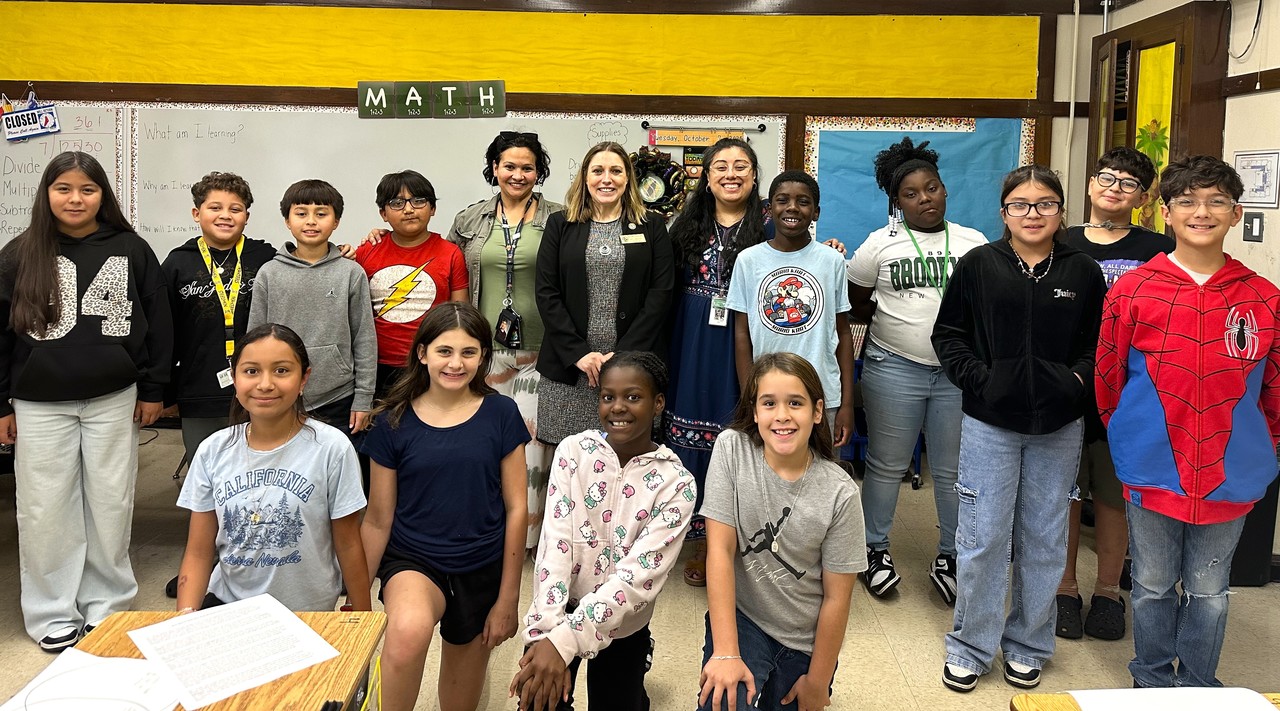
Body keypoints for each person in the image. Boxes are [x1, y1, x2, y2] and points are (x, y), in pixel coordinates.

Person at [1096, 155, 1280, 688]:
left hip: (1231, 470)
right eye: (1187, 201)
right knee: (1152, 584)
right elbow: (1109, 378)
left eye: (1216, 201)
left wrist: (1260, 448)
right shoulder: (1133, 290)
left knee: (1210, 590)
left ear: (1236, 213)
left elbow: (1273, 392)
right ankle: (1151, 678)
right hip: (1151, 464)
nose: (1202, 212)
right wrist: (1130, 437)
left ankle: (1198, 684)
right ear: (1165, 213)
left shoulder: (1263, 298)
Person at [931, 165, 1105, 692]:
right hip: (991, 423)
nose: (1033, 214)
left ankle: (1028, 644)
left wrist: (1075, 381)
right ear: (1003, 213)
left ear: (1061, 212)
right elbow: (949, 335)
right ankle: (970, 646)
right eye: (1020, 205)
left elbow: (1097, 345)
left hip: (1059, 424)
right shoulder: (978, 265)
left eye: (1045, 204)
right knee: (982, 537)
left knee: (1045, 539)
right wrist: (982, 382)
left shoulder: (1082, 271)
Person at [0, 151, 173, 651]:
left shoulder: (131, 248)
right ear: (47, 193)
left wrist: (154, 389)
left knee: (110, 501)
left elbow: (158, 324)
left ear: (103, 195)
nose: (75, 199)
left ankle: (107, 605)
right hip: (39, 403)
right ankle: (51, 610)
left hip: (113, 398)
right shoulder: (19, 254)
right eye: (64, 188)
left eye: (87, 189)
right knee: (44, 507)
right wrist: (2, 405)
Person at [360, 302, 528, 711]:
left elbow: (517, 509)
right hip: (413, 559)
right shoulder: (392, 421)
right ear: (422, 353)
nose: (456, 363)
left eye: (468, 352)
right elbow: (378, 519)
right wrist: (357, 596)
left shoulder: (502, 413)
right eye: (444, 351)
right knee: (407, 633)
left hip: (481, 564)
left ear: (483, 356)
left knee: (459, 701)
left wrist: (508, 600)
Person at [846, 137, 987, 605]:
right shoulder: (878, 244)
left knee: (951, 470)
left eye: (932, 188)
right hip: (893, 367)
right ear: (896, 202)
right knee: (886, 465)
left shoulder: (973, 242)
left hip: (956, 374)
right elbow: (858, 302)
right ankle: (873, 550)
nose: (925, 198)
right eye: (911, 193)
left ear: (945, 190)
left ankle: (951, 555)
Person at [511, 351, 694, 711]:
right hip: (558, 611)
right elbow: (555, 545)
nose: (618, 407)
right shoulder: (573, 452)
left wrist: (565, 643)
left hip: (624, 625)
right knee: (538, 701)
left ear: (658, 403)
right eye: (608, 396)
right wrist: (544, 636)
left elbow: (637, 577)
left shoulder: (677, 484)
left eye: (633, 396)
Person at [697, 352, 866, 711]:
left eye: (795, 403)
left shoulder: (841, 493)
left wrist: (818, 681)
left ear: (817, 412)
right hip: (744, 618)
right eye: (769, 403)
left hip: (805, 639)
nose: (782, 415)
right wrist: (725, 653)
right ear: (755, 412)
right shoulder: (732, 449)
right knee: (724, 700)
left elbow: (837, 599)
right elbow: (720, 551)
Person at [1055, 147, 1171, 641]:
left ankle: (1107, 592)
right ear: (1090, 184)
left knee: (1112, 493)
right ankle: (1063, 588)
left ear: (1143, 198)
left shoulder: (1159, 248)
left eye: (1128, 183)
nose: (1114, 188)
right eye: (1106, 177)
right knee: (1061, 492)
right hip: (1065, 383)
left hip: (1128, 389)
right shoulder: (1059, 238)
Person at [174, 323, 371, 612]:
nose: (265, 384)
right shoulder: (212, 450)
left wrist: (361, 618)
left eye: (281, 370)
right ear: (234, 377)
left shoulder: (332, 448)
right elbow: (199, 552)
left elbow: (349, 543)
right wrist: (184, 618)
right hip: (229, 607)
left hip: (308, 612)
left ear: (304, 378)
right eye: (251, 371)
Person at [448, 132, 565, 550]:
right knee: (482, 442)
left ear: (539, 172)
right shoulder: (470, 220)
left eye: (527, 167)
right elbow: (445, 266)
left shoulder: (561, 217)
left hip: (542, 351)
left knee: (532, 448)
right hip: (484, 352)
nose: (518, 174)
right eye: (509, 166)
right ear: (494, 168)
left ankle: (526, 539)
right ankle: (485, 530)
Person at [665, 137, 767, 587]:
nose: (731, 173)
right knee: (687, 430)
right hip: (690, 340)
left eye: (741, 165)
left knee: (738, 429)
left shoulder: (770, 225)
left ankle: (723, 540)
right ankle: (687, 533)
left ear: (754, 176)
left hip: (745, 340)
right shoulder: (685, 226)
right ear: (706, 178)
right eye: (721, 166)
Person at [535, 141, 674, 446]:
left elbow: (661, 293)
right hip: (570, 371)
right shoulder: (560, 224)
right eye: (598, 171)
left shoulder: (652, 226)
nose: (606, 179)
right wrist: (578, 354)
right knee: (570, 462)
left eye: (616, 171)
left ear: (628, 178)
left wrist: (623, 357)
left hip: (633, 369)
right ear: (585, 177)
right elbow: (546, 293)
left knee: (629, 458)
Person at [727, 170, 854, 447]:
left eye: (803, 202)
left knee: (822, 468)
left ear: (816, 212)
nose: (793, 207)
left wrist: (847, 404)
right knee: (771, 467)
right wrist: (750, 397)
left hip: (823, 395)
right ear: (769, 209)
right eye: (783, 200)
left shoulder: (832, 261)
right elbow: (741, 335)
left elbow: (843, 334)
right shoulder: (748, 261)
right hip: (768, 395)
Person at [163, 171, 277, 466]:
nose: (225, 215)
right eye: (215, 207)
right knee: (205, 471)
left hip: (259, 389)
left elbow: (305, 263)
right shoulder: (178, 262)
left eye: (235, 209)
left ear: (246, 216)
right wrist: (164, 392)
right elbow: (164, 332)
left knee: (256, 469)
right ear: (196, 213)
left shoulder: (266, 258)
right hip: (197, 390)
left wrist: (341, 252)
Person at [248, 179, 376, 438]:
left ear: (336, 221)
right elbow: (255, 340)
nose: (311, 221)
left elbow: (364, 338)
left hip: (339, 398)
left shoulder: (351, 273)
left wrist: (364, 398)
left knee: (340, 462)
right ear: (287, 220)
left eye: (321, 214)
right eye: (301, 213)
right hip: (280, 394)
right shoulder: (269, 273)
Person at [352, 169, 468, 401]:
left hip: (431, 364)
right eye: (397, 203)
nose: (408, 209)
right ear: (383, 213)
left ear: (432, 208)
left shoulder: (451, 253)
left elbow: (460, 314)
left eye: (418, 201)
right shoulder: (367, 251)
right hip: (376, 366)